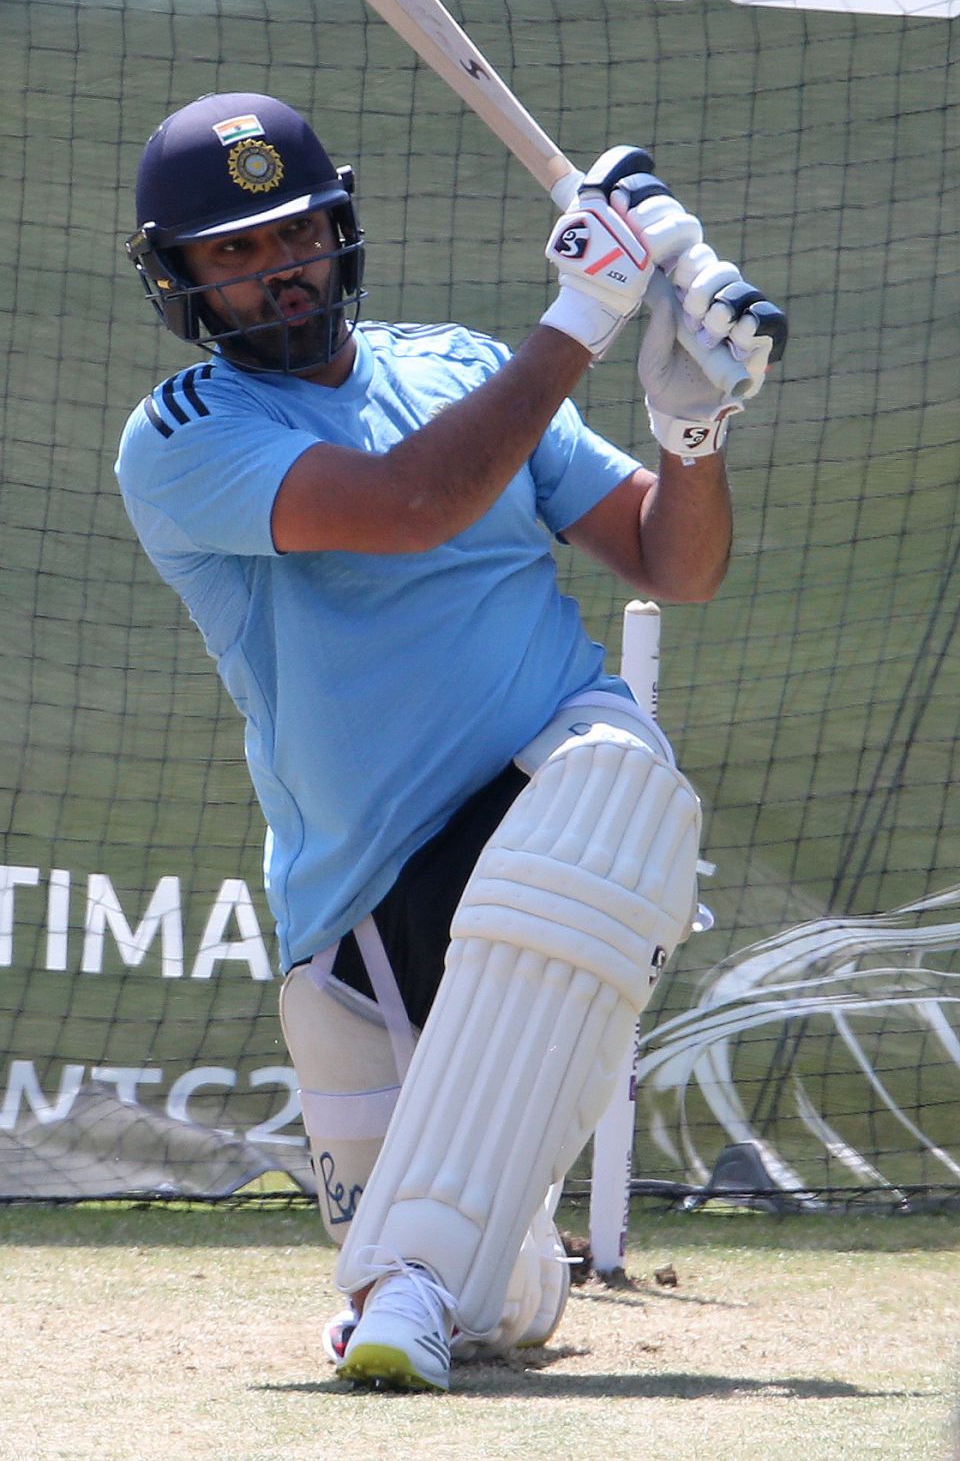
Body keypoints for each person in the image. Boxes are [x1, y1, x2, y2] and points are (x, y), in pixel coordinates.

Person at [115, 91, 786, 1392]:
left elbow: (671, 562)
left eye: (295, 234)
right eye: (235, 252)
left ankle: (415, 1283)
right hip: (359, 895)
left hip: (545, 777)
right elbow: (412, 503)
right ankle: (440, 1280)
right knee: (497, 1298)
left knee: (616, 790)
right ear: (183, 279)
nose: (276, 269)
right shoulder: (184, 438)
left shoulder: (471, 370)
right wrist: (583, 319)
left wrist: (691, 433)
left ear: (342, 230)